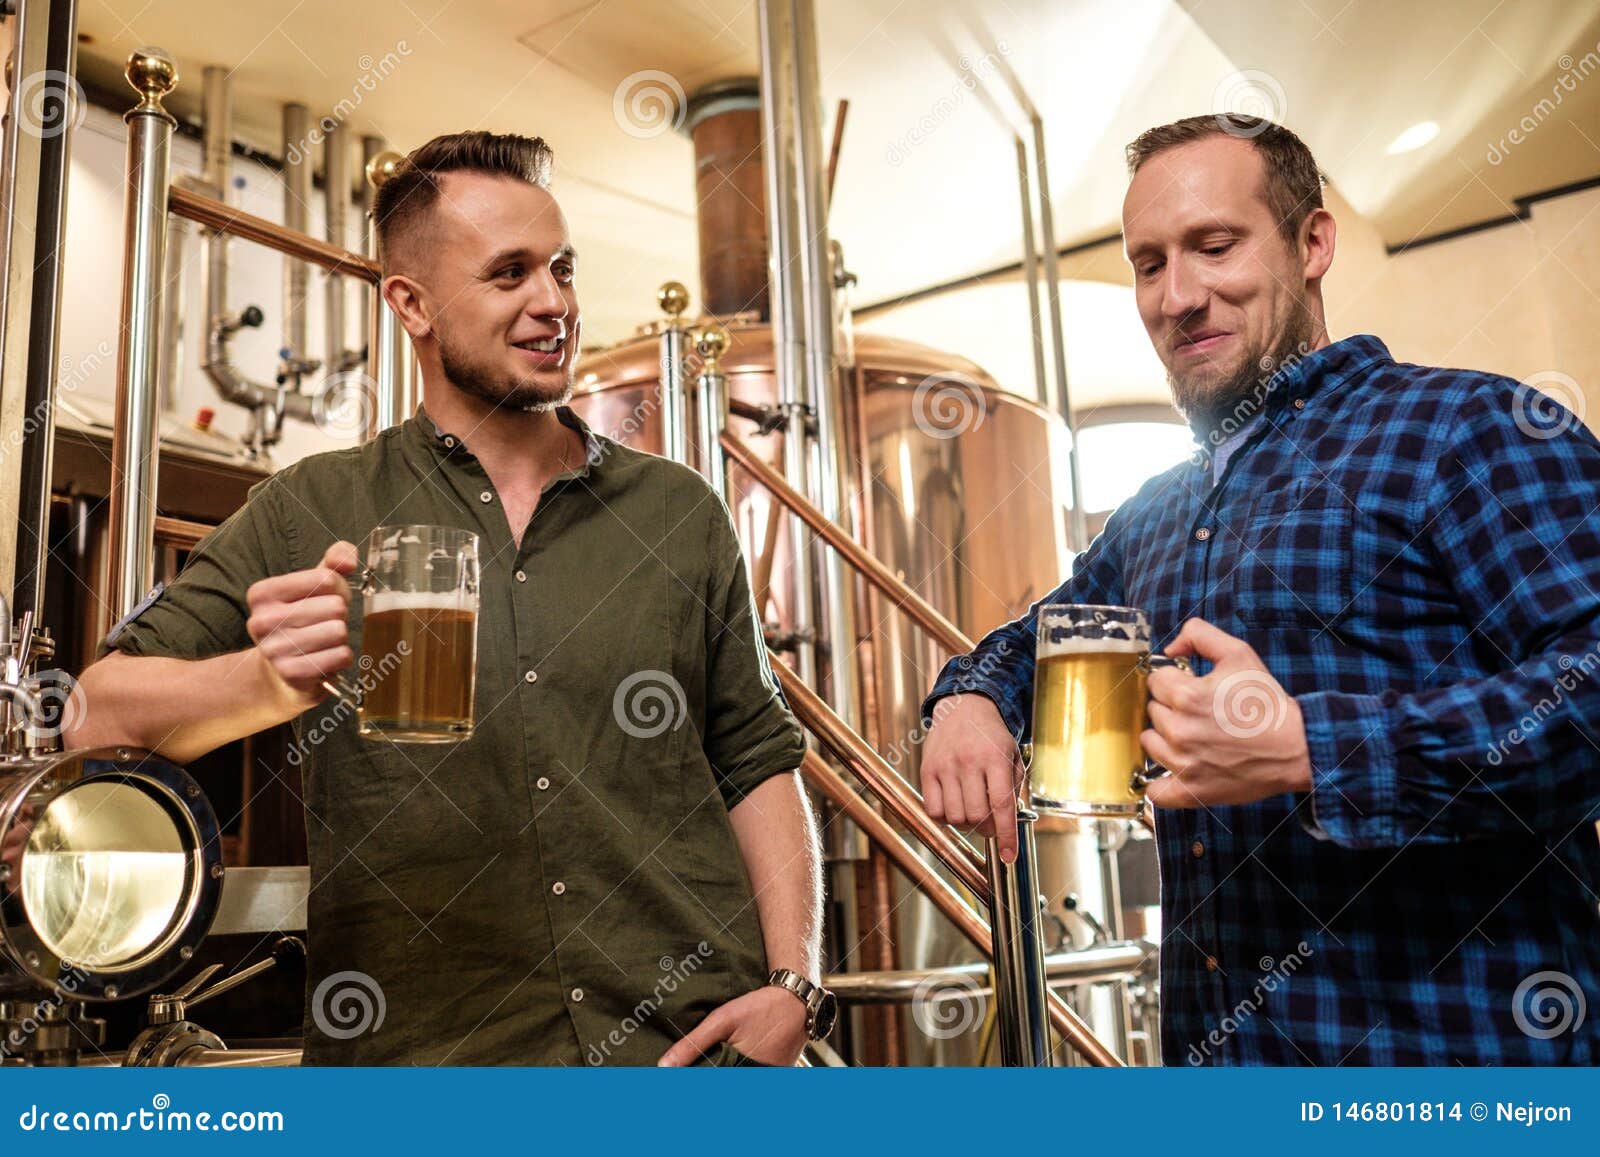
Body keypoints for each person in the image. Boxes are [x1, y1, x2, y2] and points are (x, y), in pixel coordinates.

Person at [69, 131, 832, 1067]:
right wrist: (262, 685)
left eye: (562, 268)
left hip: (692, 1058)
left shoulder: (679, 511)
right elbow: (92, 716)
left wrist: (795, 983)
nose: (554, 302)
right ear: (412, 302)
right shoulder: (313, 507)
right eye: (509, 274)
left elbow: (755, 758)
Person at [918, 114, 1600, 1065]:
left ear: (1313, 243)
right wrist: (968, 699)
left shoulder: (1469, 427)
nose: (1179, 295)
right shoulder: (1157, 509)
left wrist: (1315, 749)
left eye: (1215, 246)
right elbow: (1039, 637)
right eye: (1148, 264)